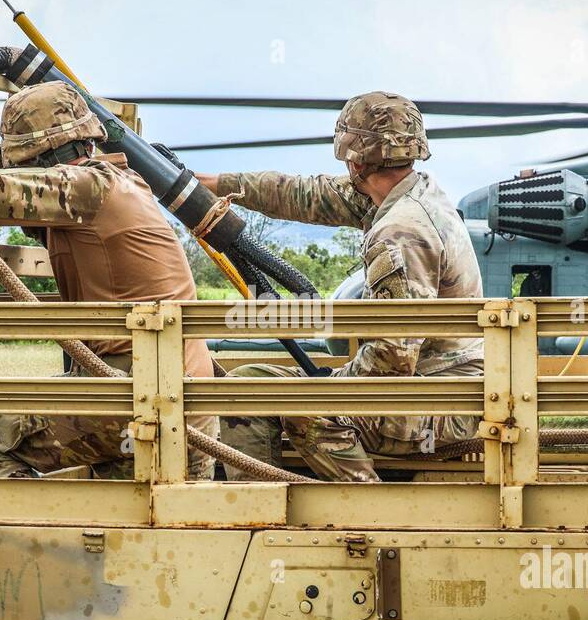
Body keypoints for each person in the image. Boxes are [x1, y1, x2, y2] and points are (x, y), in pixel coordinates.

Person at [196, 91, 482, 482]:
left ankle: (365, 516)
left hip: (439, 403)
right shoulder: (405, 192)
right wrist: (208, 185)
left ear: (355, 158)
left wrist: (331, 384)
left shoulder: (401, 230)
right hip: (427, 389)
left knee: (308, 406)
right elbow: (300, 193)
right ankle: (261, 504)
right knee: (248, 386)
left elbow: (392, 360)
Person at [0, 81, 218, 479]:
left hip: (138, 390)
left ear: (41, 158)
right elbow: (37, 218)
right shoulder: (123, 184)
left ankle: (35, 540)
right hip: (179, 397)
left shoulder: (86, 188)